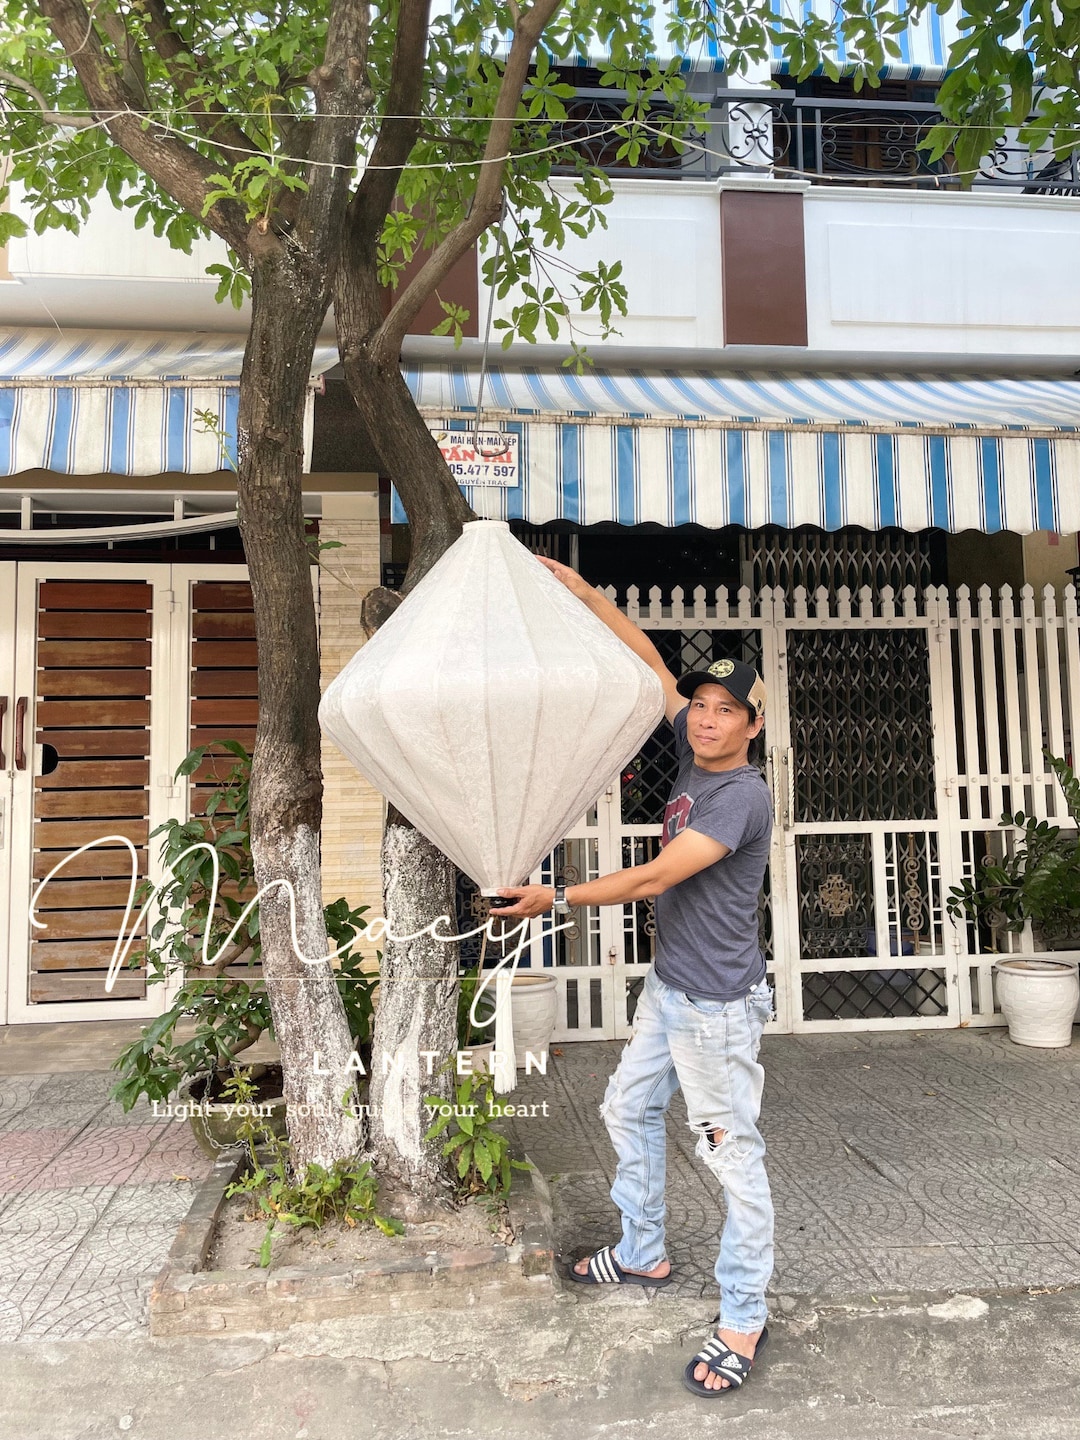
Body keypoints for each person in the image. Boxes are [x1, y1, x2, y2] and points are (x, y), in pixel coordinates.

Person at [497, 558, 775, 1399]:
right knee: (627, 1106)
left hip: (717, 1009)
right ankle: (646, 1250)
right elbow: (651, 666)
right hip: (670, 989)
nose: (706, 718)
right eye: (703, 705)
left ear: (753, 726)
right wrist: (585, 594)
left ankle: (742, 1314)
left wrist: (557, 896)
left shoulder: (740, 797)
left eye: (727, 711)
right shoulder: (696, 756)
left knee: (732, 1156)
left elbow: (658, 876)